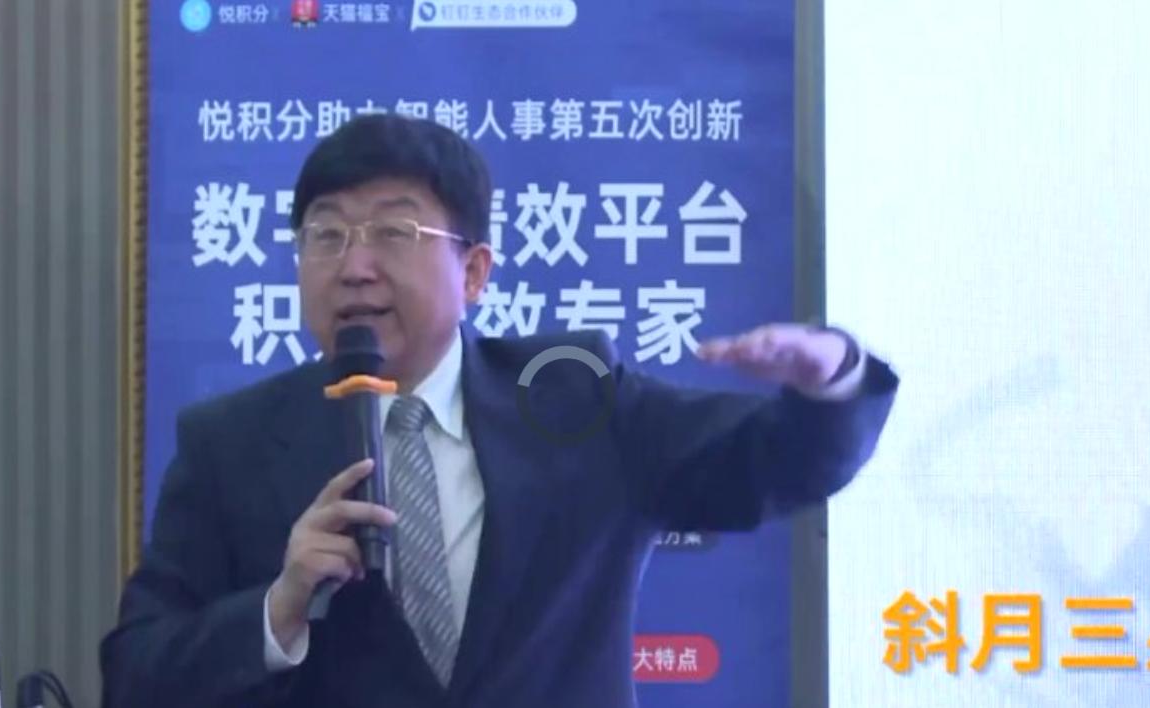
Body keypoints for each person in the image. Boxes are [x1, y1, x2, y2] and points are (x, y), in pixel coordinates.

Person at [100, 114, 898, 708]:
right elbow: (135, 673)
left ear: (475, 272)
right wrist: (279, 609)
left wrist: (831, 378)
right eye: (326, 235)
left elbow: (769, 466)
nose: (355, 265)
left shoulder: (578, 402)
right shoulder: (230, 444)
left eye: (392, 230)